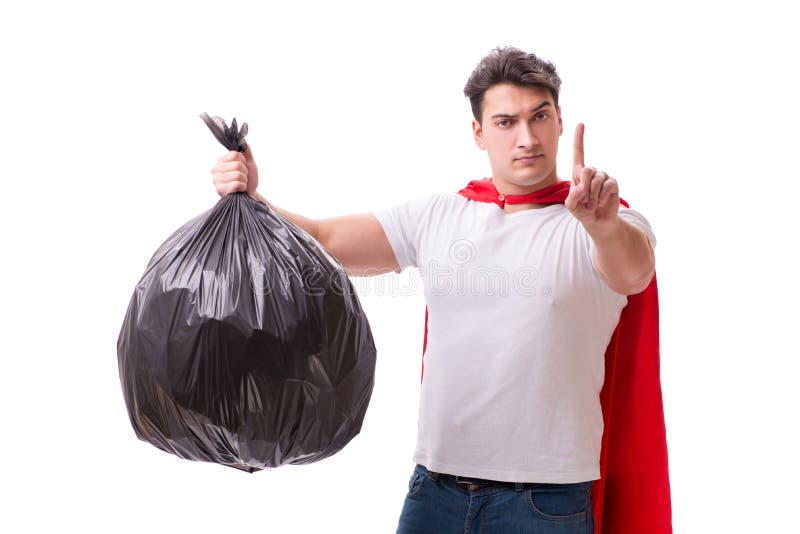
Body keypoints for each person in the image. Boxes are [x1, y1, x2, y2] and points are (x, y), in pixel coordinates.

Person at [211, 46, 663, 534]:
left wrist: (602, 225)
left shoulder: (601, 221)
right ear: (479, 133)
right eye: (506, 122)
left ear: (559, 121)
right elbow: (324, 240)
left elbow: (633, 274)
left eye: (540, 117)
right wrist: (254, 197)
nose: (527, 138)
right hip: (436, 492)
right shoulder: (440, 215)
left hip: (545, 501)